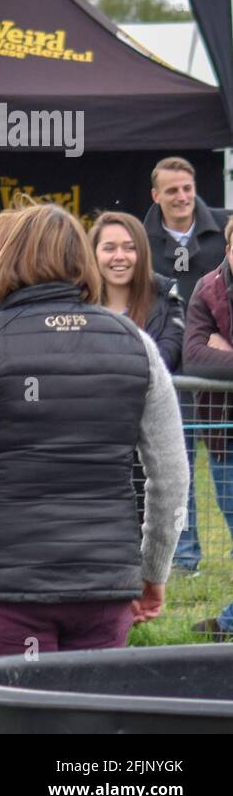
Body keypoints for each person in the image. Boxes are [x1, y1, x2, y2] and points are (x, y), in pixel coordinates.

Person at [0, 203, 187, 658]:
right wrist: (152, 570)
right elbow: (173, 477)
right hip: (104, 586)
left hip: (4, 585)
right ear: (83, 258)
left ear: (8, 257)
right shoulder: (137, 344)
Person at [143, 155, 228, 573]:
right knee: (175, 471)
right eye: (172, 190)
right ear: (156, 195)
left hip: (216, 378)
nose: (182, 197)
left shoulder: (226, 228)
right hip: (166, 374)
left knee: (224, 467)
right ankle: (183, 555)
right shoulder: (139, 242)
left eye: (188, 188)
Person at [90, 211, 188, 529]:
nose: (119, 256)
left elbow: (166, 357)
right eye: (109, 247)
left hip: (147, 440)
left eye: (129, 247)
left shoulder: (167, 299)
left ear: (141, 253)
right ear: (93, 254)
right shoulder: (73, 304)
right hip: (90, 442)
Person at [178, 213, 233, 642]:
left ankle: (228, 622)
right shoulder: (208, 289)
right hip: (224, 437)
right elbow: (195, 357)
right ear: (229, 247)